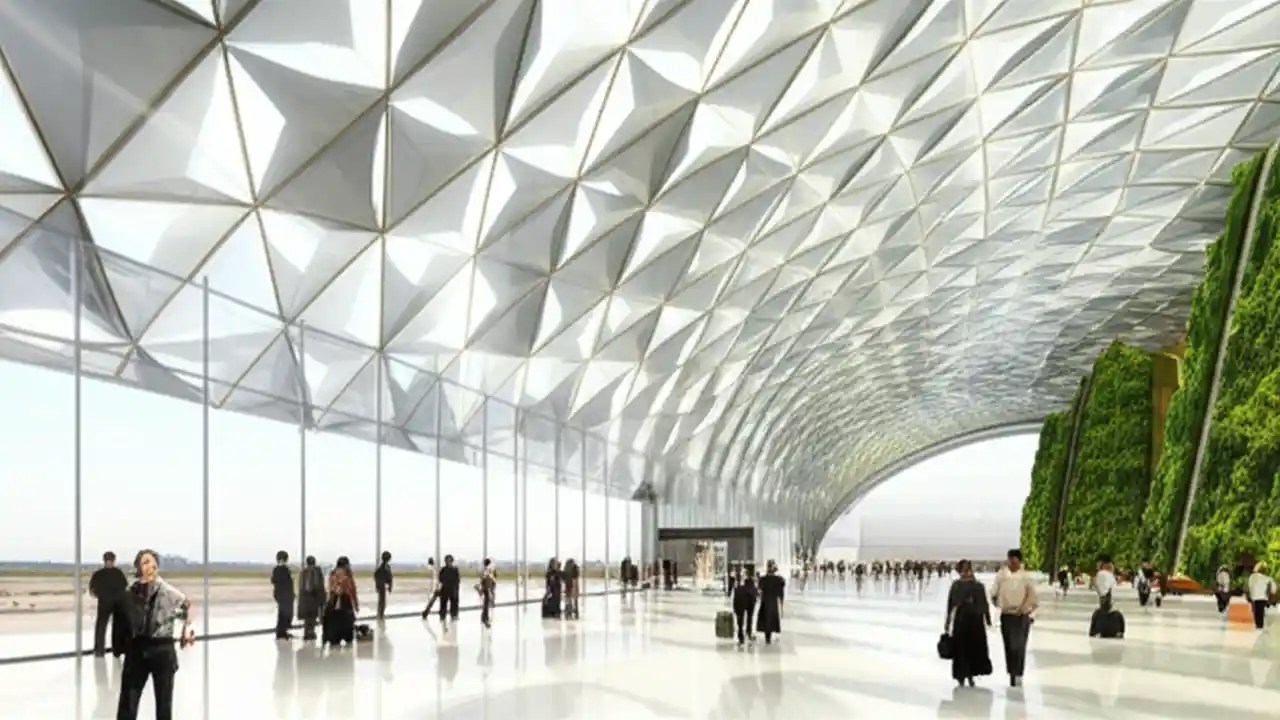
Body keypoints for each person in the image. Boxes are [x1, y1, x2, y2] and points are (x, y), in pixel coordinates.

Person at [116, 549, 195, 720]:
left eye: (151, 562)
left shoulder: (169, 591)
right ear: (138, 568)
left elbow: (186, 609)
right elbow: (122, 620)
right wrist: (120, 645)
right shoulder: (131, 591)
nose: (149, 566)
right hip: (137, 648)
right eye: (144, 563)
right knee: (128, 701)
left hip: (162, 648)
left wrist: (185, 632)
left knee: (164, 703)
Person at [990, 549, 1037, 688]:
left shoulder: (1026, 577)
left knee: (1020, 645)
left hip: (1022, 616)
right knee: (1009, 645)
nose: (1012, 564)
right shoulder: (1001, 575)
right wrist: (998, 604)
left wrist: (1024, 608)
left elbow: (1032, 596)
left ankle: (1019, 672)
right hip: (1007, 615)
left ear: (1019, 561)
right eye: (1010, 561)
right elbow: (993, 592)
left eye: (1014, 561)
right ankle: (1011, 671)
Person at [946, 560, 992, 687]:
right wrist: (948, 622)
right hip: (963, 622)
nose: (966, 572)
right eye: (964, 569)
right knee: (962, 649)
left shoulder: (976, 586)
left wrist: (987, 619)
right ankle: (962, 675)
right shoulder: (959, 586)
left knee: (972, 649)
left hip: (973, 622)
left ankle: (970, 674)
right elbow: (951, 605)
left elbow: (984, 603)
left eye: (967, 569)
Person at [89, 551, 128, 657]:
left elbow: (92, 590)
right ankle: (117, 650)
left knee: (102, 627)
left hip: (105, 603)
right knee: (115, 627)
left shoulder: (98, 574)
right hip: (115, 603)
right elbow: (124, 587)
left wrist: (100, 595)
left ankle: (100, 650)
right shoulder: (118, 573)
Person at [322, 556, 358, 647]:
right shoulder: (347, 575)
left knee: (334, 621)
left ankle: (334, 638)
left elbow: (331, 588)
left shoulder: (332, 574)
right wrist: (356, 603)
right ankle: (346, 637)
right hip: (345, 600)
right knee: (346, 621)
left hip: (333, 600)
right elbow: (352, 590)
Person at [296, 556, 325, 641]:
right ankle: (311, 632)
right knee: (312, 616)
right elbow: (319, 585)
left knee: (307, 617)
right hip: (313, 597)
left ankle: (306, 633)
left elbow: (300, 586)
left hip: (304, 598)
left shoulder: (303, 572)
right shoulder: (316, 571)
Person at [756, 560, 785, 645]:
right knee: (771, 619)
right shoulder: (778, 580)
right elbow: (781, 592)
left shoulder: (763, 579)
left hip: (765, 601)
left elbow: (759, 590)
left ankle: (767, 637)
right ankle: (769, 636)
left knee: (766, 620)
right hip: (773, 602)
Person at [271, 551, 295, 640]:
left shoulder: (277, 569)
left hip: (281, 595)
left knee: (283, 613)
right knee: (284, 614)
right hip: (285, 596)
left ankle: (282, 631)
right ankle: (281, 632)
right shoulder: (283, 569)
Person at [1247, 563, 1275, 630]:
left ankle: (1258, 623)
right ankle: (1260, 624)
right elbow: (1272, 587)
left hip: (1254, 596)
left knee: (1256, 610)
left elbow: (1249, 585)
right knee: (1261, 610)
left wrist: (1251, 593)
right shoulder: (1266, 578)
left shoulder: (1252, 576)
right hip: (1263, 596)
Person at [732, 574, 758, 647]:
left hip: (740, 605)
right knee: (749, 619)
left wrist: (735, 609)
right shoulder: (753, 589)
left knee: (740, 622)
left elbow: (735, 600)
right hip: (750, 605)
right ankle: (748, 634)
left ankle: (741, 638)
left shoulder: (738, 589)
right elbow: (755, 599)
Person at [438, 555, 461, 625]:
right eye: (447, 561)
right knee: (443, 603)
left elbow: (458, 580)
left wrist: (456, 589)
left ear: (452, 561)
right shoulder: (443, 570)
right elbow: (440, 579)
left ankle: (453, 615)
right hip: (445, 589)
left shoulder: (455, 569)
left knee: (454, 603)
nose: (448, 562)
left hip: (453, 589)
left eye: (450, 561)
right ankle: (442, 616)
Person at [374, 551, 393, 620]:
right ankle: (380, 615)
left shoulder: (386, 567)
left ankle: (381, 614)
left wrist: (389, 585)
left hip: (382, 585)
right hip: (381, 585)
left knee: (382, 601)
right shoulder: (382, 568)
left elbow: (390, 577)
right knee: (382, 601)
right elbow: (377, 576)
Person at [477, 558, 496, 628]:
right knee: (486, 603)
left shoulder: (486, 569)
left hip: (486, 587)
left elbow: (483, 578)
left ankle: (484, 617)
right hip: (486, 587)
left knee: (486, 603)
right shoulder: (488, 569)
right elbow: (484, 578)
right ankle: (485, 618)